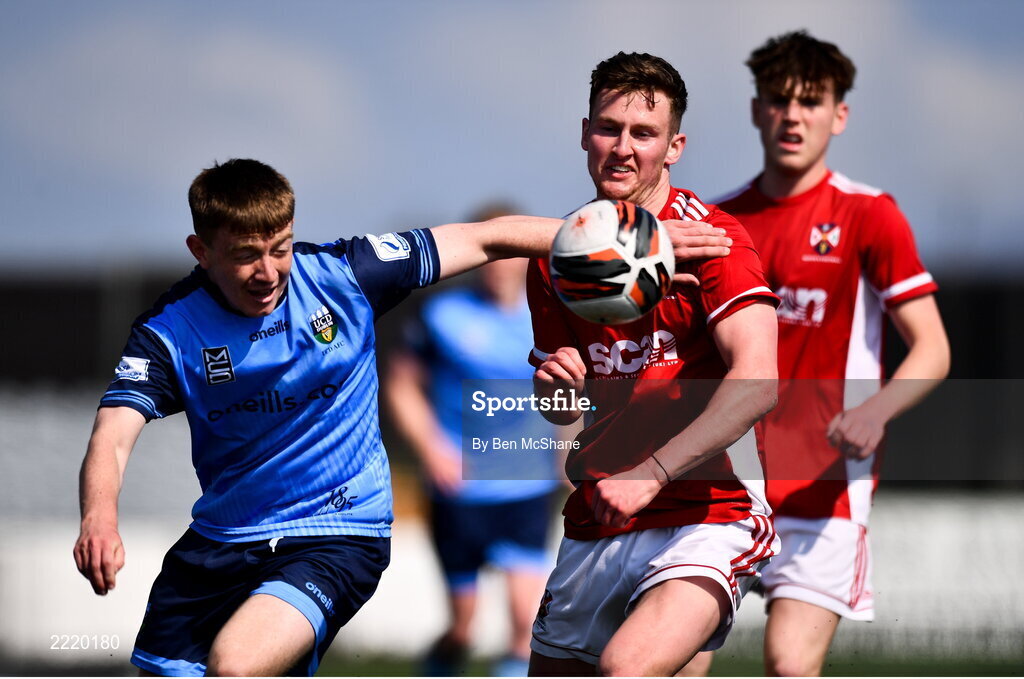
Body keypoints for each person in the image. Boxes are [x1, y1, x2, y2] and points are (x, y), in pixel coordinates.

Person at [72, 158, 728, 676]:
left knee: (237, 665)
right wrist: (100, 514)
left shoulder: (345, 274)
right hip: (221, 540)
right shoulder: (170, 332)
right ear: (200, 249)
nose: (269, 271)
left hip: (337, 530)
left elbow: (489, 235)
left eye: (281, 247)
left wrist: (631, 244)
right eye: (246, 253)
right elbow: (114, 431)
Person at [702, 30, 951, 677]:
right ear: (756, 108)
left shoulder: (870, 215)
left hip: (825, 487)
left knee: (789, 664)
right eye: (779, 99)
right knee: (670, 663)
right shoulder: (714, 224)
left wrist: (877, 411)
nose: (793, 115)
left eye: (810, 101)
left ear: (839, 113)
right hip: (721, 485)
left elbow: (932, 347)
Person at [525, 52, 782, 677]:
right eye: (609, 128)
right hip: (600, 515)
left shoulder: (714, 240)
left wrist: (654, 472)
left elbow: (760, 379)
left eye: (643, 133)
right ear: (584, 133)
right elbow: (565, 408)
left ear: (674, 147)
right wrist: (557, 387)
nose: (622, 148)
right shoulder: (557, 257)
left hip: (706, 510)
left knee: (627, 667)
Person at [384, 202, 560, 677]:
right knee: (464, 626)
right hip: (458, 488)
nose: (500, 264)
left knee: (526, 624)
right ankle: (439, 665)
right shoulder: (443, 314)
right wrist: (431, 447)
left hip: (526, 486)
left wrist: (570, 446)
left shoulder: (551, 316)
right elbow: (400, 385)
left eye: (512, 252)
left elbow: (572, 392)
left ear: (529, 256)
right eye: (494, 250)